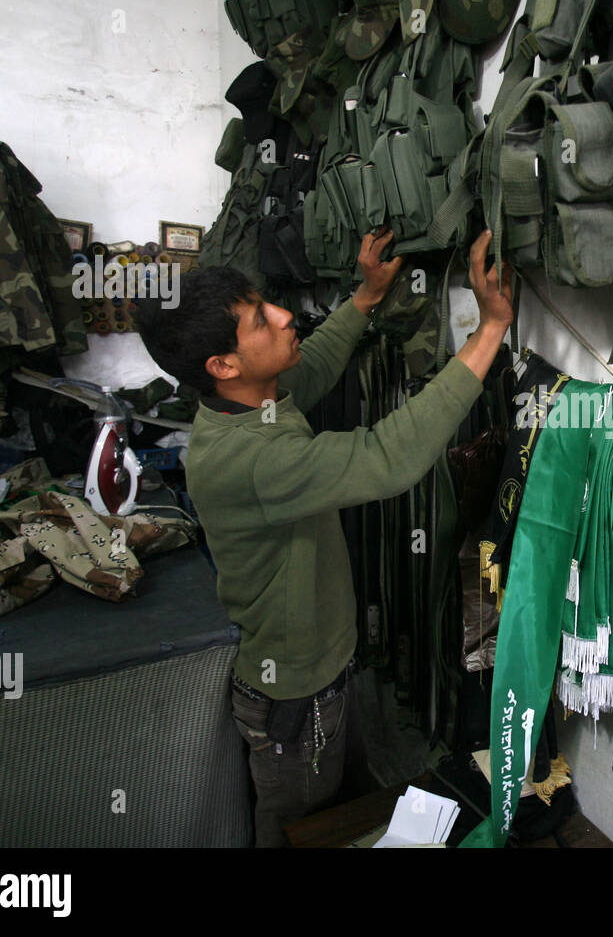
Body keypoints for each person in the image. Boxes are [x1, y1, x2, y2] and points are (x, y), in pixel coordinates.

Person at [136, 228, 513, 846]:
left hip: (316, 670)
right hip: (298, 695)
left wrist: (366, 296)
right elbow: (388, 456)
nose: (286, 317)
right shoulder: (254, 457)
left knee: (324, 805)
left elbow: (307, 371)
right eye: (261, 319)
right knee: (301, 826)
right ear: (224, 365)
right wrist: (490, 329)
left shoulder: (244, 404)